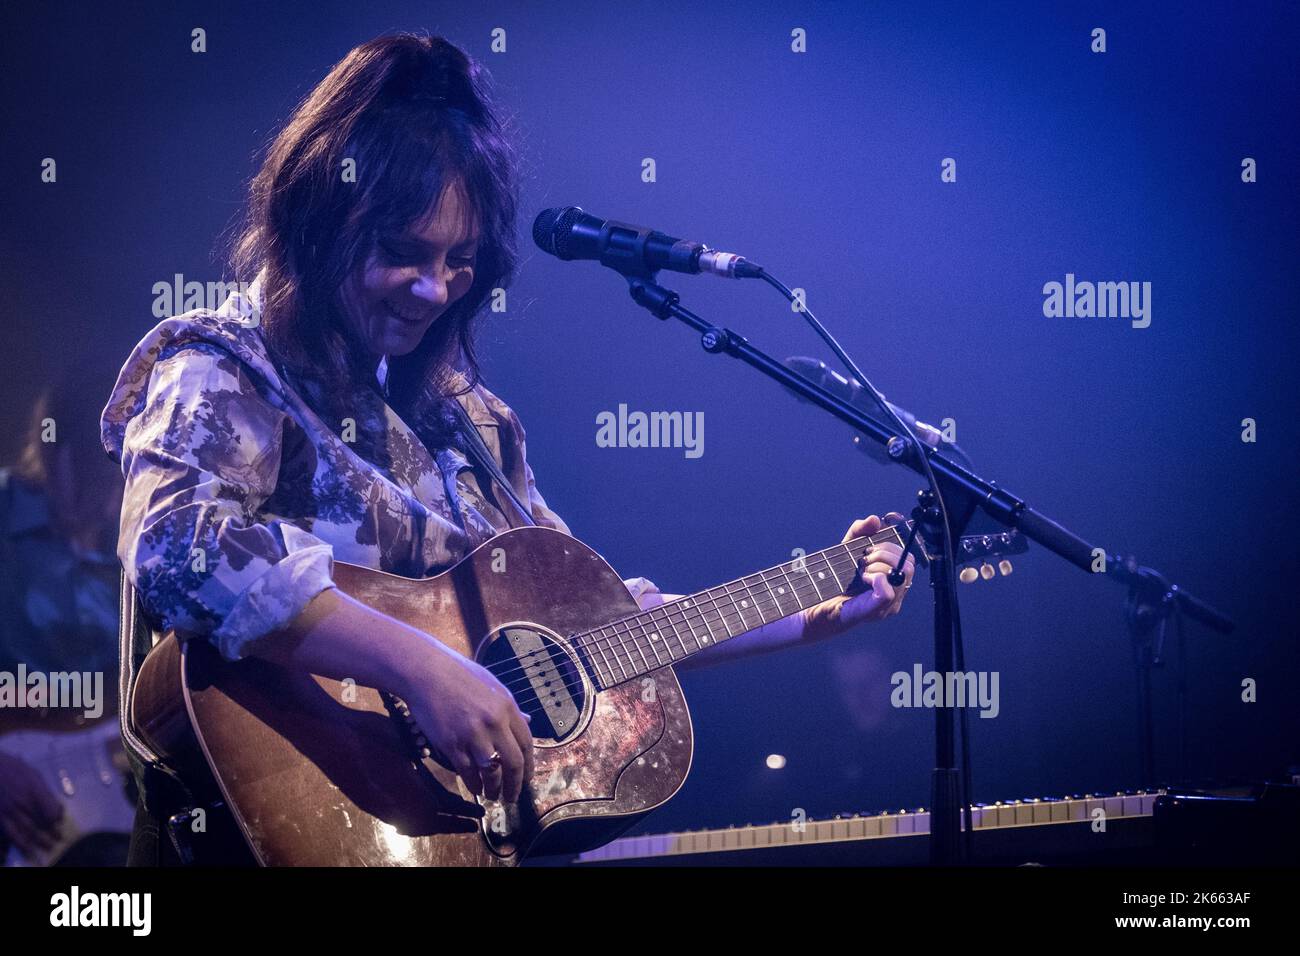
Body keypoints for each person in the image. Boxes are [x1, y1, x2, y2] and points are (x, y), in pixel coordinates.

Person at [100, 33, 914, 864]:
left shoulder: (475, 422)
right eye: (402, 253)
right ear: (320, 223)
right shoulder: (225, 362)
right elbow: (177, 546)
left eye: (460, 261)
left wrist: (808, 611)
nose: (434, 288)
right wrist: (422, 668)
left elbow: (596, 625)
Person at [1, 380, 130, 865]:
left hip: (90, 824)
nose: (111, 493)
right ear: (54, 450)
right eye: (99, 469)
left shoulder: (131, 550)